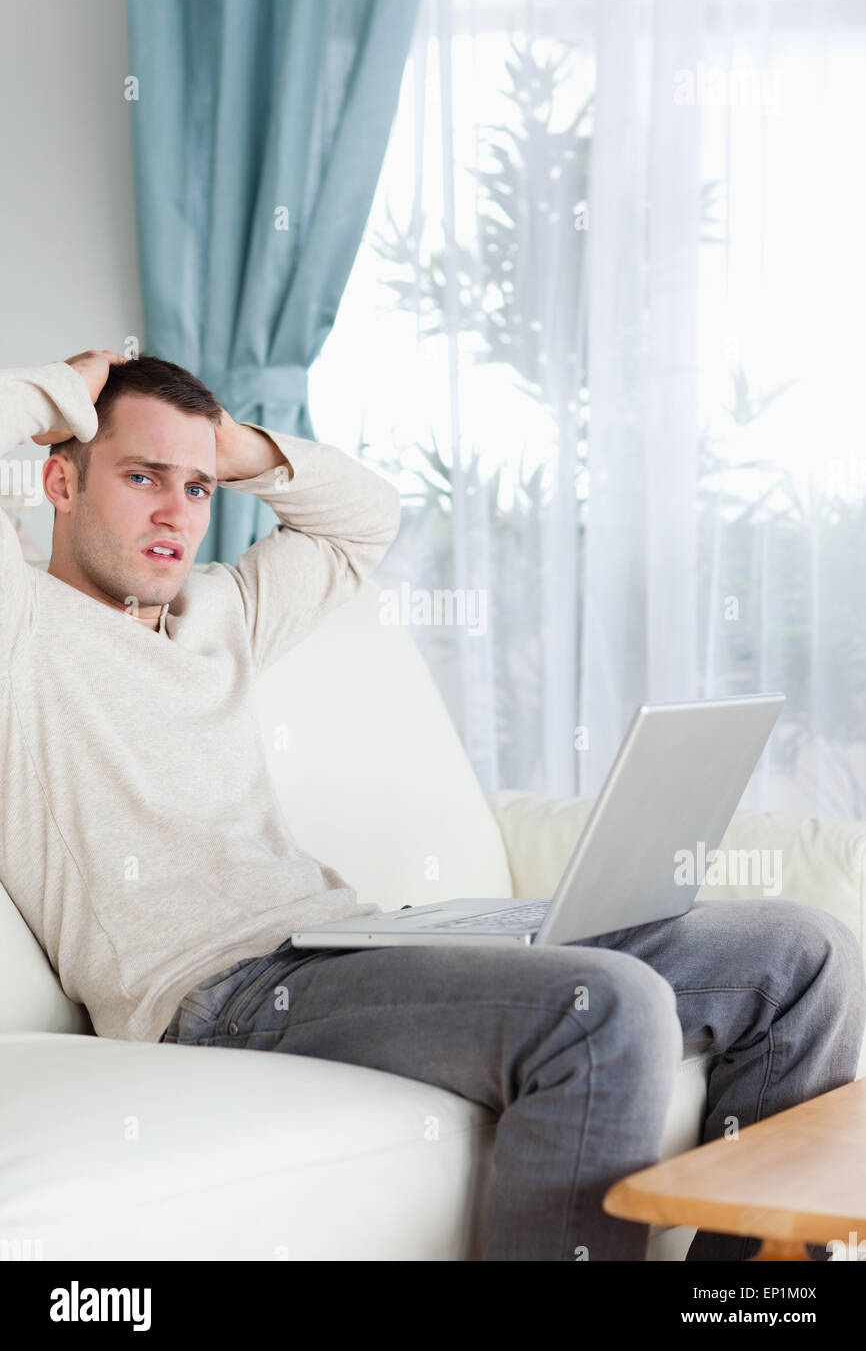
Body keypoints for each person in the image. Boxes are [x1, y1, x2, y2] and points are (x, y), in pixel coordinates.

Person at [1, 349, 864, 1262]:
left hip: (347, 939)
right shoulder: (22, 625)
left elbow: (365, 519)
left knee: (804, 956)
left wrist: (227, 443)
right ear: (60, 479)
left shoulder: (220, 614)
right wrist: (69, 386)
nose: (178, 513)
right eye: (143, 478)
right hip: (217, 992)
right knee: (604, 1005)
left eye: (200, 489)